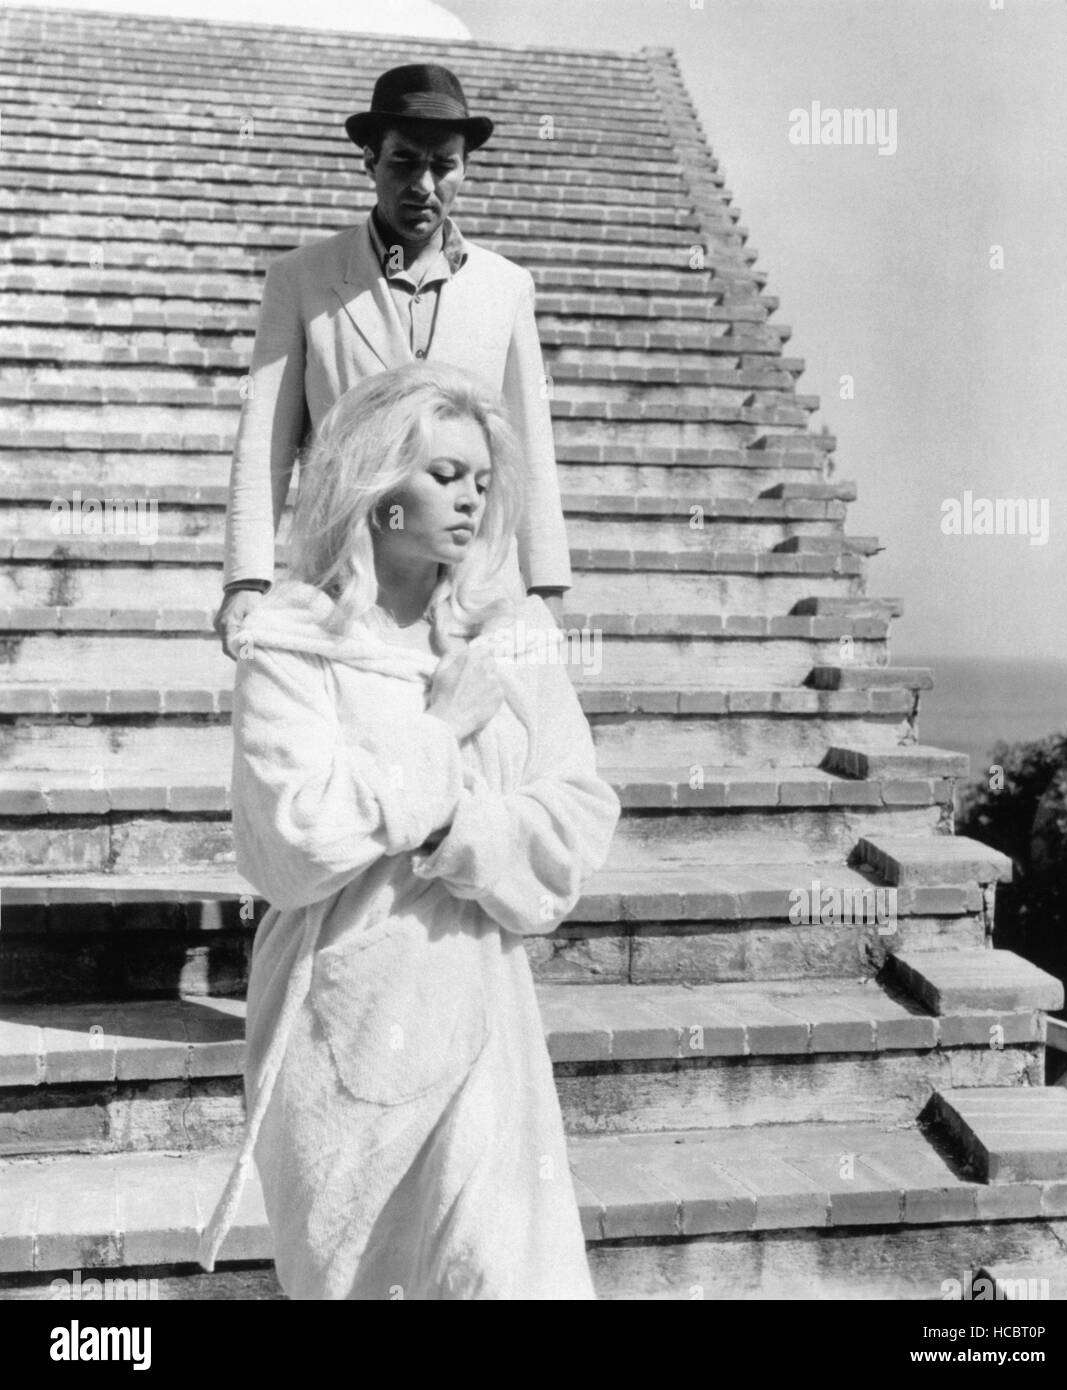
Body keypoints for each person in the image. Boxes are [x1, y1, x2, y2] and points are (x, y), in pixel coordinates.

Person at [198, 362, 620, 1299]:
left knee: (500, 1276)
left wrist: (453, 831)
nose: (469, 497)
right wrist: (437, 736)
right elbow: (293, 838)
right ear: (375, 485)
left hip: (479, 1010)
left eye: (479, 477)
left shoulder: (509, 641)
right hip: (337, 1015)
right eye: (441, 475)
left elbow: (574, 821)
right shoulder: (289, 644)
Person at [215, 63, 572, 658]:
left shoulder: (506, 287)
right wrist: (246, 579)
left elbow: (530, 443)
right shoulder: (302, 279)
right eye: (404, 161)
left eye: (444, 164)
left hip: (473, 588)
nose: (425, 185)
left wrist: (548, 588)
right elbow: (265, 442)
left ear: (464, 167)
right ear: (369, 161)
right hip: (346, 584)